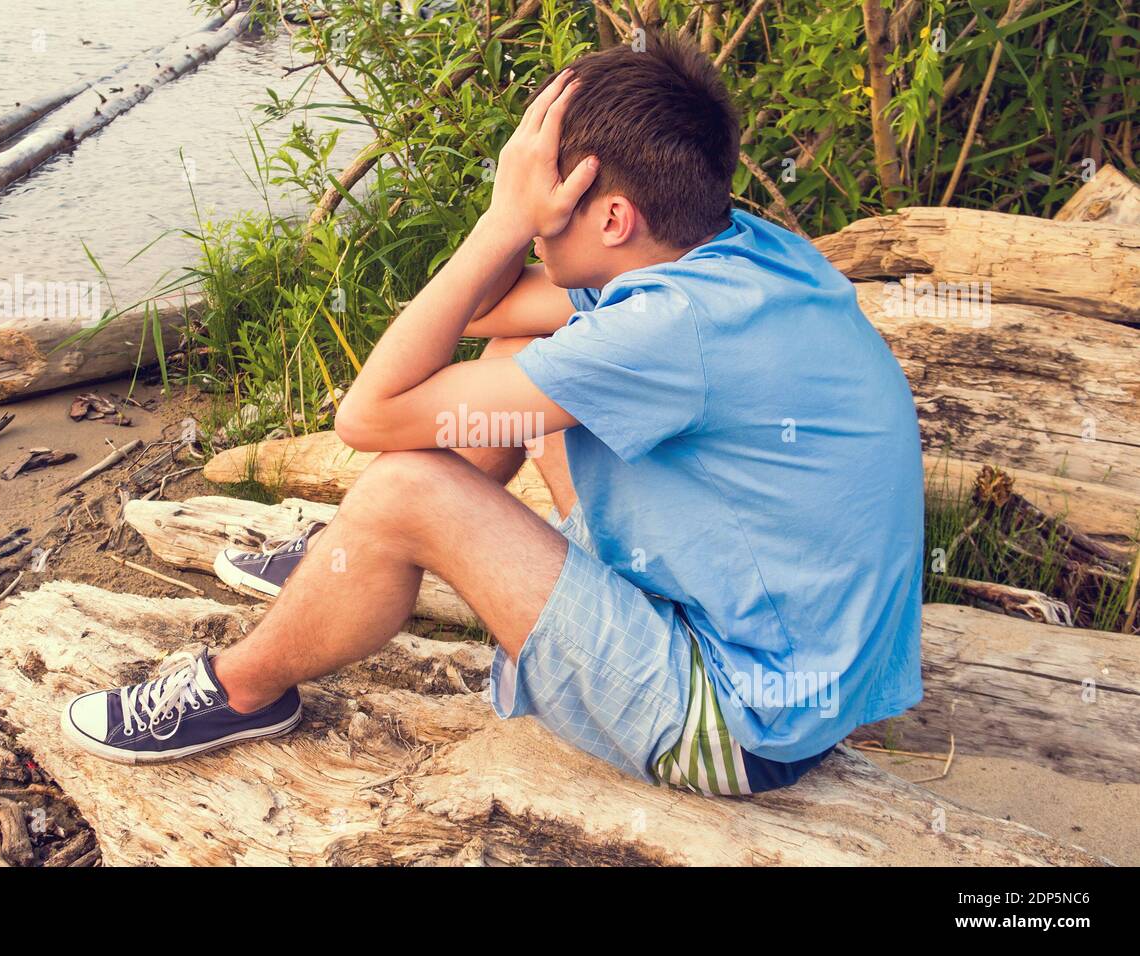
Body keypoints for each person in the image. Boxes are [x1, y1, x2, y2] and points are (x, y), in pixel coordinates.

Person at [61, 36, 924, 797]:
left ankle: (240, 690)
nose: (536, 227)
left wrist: (501, 222)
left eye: (551, 203)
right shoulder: (736, 249)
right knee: (521, 354)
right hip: (789, 655)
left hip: (740, 722)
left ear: (613, 217)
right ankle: (350, 558)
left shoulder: (670, 331)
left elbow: (369, 416)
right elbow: (490, 312)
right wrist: (518, 221)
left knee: (403, 488)